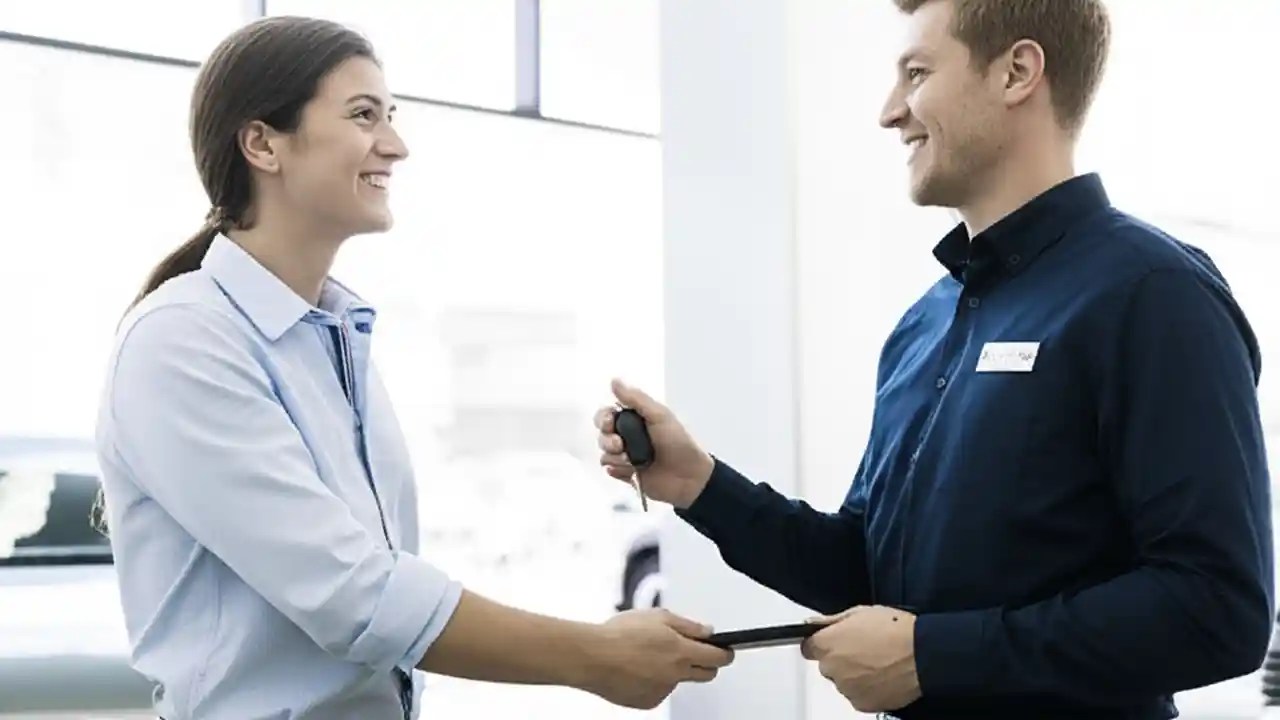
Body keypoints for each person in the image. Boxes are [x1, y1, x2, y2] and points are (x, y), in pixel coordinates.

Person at [595, 0, 1274, 718]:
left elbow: (1217, 609)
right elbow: (864, 568)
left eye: (916, 74)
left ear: (1017, 72)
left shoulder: (1153, 294)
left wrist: (933, 655)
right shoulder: (925, 324)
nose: (891, 113)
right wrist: (699, 484)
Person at [91, 15, 732, 720]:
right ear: (262, 143)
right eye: (365, 115)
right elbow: (353, 595)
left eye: (390, 116)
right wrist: (592, 657)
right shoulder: (183, 340)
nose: (395, 145)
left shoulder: (335, 337)